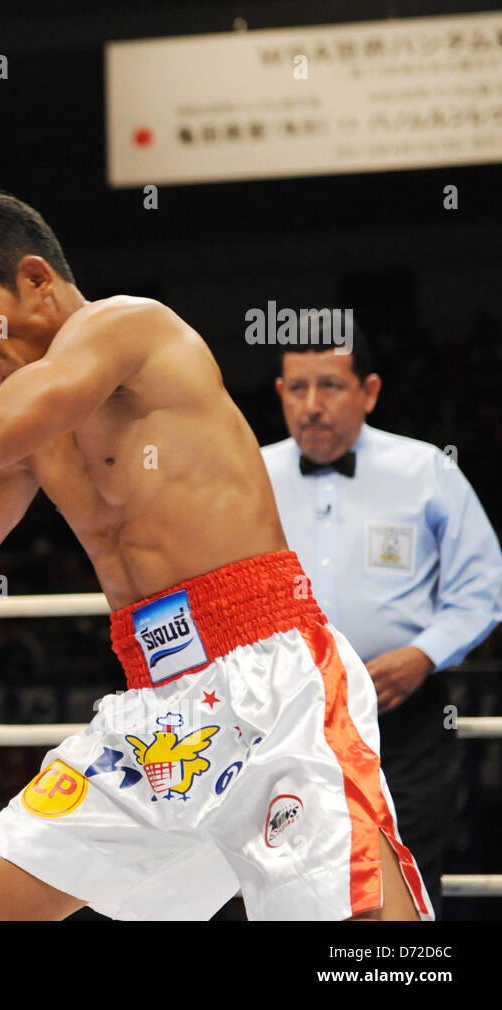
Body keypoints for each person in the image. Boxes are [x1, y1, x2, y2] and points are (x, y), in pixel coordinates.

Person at [0, 188, 432, 921]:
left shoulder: (128, 327)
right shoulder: (28, 421)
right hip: (157, 712)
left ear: (37, 278)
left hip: (274, 677)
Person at [262, 321, 502, 914]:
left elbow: (483, 584)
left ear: (369, 392)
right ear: (279, 391)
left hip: (404, 713)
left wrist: (424, 654)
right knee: (278, 875)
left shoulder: (426, 470)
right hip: (281, 714)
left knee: (410, 868)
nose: (312, 407)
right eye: (297, 388)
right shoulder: (249, 477)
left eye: (330, 386)